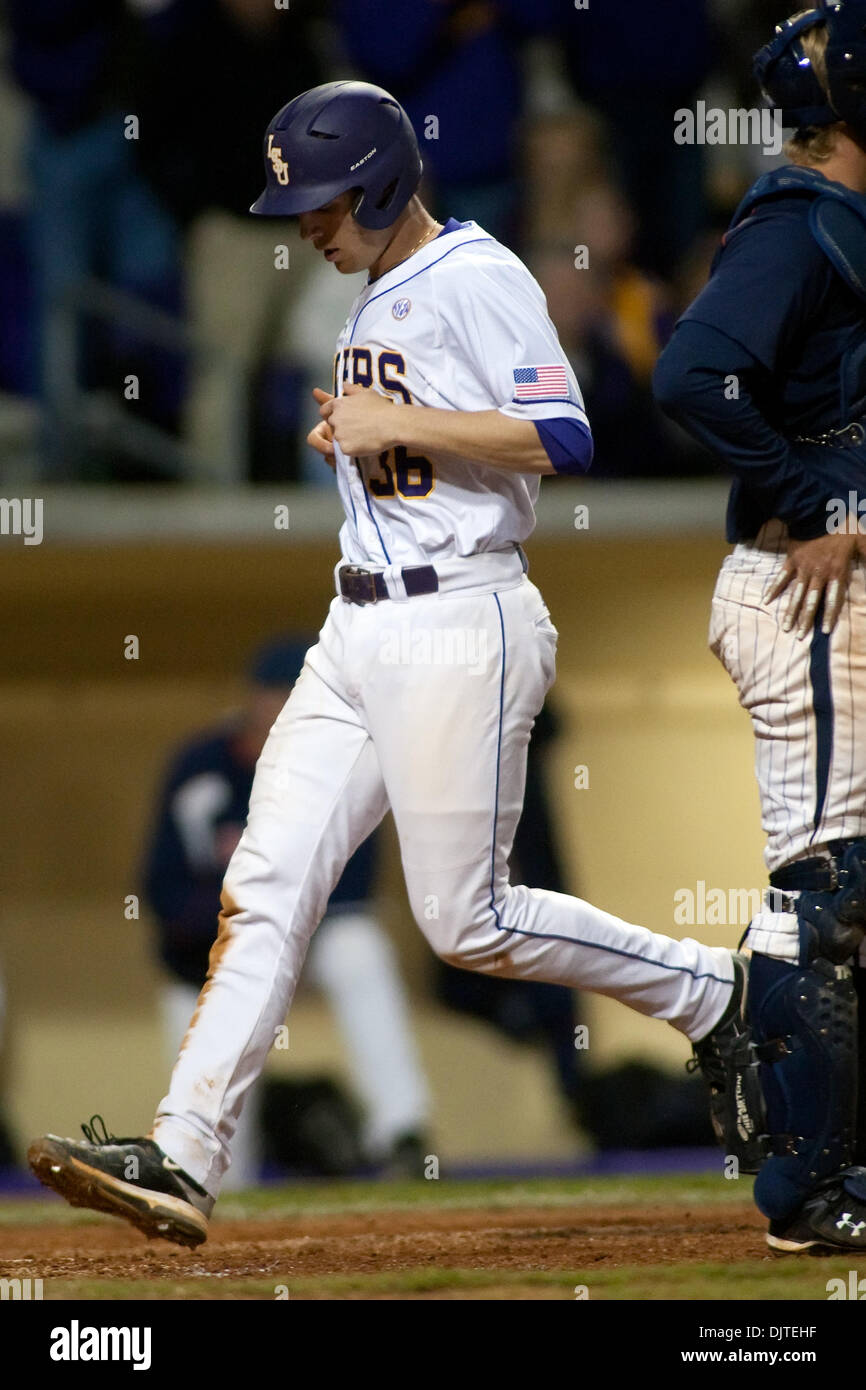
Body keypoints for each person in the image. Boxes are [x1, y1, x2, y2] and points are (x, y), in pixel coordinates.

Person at [31, 80, 765, 1249]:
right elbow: (410, 436)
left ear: (378, 181)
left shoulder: (478, 274)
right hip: (355, 628)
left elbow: (564, 433)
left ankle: (711, 991)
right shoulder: (374, 290)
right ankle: (184, 1151)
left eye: (320, 202)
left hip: (459, 623)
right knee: (264, 886)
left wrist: (400, 430)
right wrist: (360, 436)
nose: (306, 225)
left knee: (466, 921)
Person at [653, 5, 866, 1254]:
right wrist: (811, 496)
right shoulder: (797, 222)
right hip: (806, 589)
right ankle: (808, 1187)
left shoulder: (832, 217)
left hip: (823, 585)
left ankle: (825, 1155)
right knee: (830, 887)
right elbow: (691, 373)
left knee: (838, 886)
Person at [143, 637, 431, 1185]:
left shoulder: (346, 765)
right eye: (279, 694)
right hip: (211, 957)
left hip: (306, 939)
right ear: (252, 699)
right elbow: (162, 890)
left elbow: (355, 887)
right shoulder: (200, 766)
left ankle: (403, 1133)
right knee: (222, 1162)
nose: (287, 708)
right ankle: (215, 1184)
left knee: (359, 950)